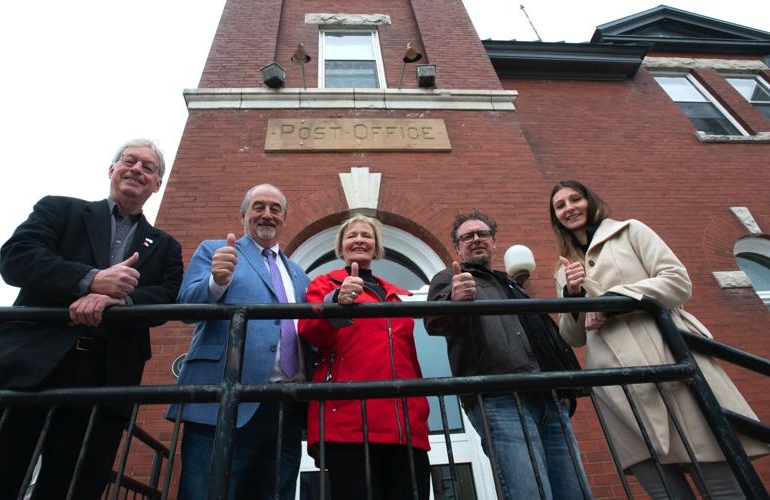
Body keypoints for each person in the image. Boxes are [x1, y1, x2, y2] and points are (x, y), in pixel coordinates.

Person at [0, 139, 183, 500]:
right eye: (130, 161)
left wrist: (116, 298)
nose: (137, 169)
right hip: (30, 369)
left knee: (76, 486)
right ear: (112, 170)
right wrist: (89, 279)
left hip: (106, 378)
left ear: (157, 185)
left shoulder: (164, 245)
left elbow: (168, 294)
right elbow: (17, 257)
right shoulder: (60, 210)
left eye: (148, 168)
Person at [550, 179, 768, 499]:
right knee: (663, 490)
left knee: (718, 481)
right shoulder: (565, 268)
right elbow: (572, 337)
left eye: (575, 199)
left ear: (590, 201)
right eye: (560, 206)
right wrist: (573, 295)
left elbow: (678, 282)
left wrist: (612, 301)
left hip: (668, 358)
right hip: (617, 385)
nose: (569, 208)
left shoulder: (630, 231)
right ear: (555, 217)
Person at [425, 210, 592, 500]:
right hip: (499, 398)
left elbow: (545, 334)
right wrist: (454, 299)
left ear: (493, 242)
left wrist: (573, 296)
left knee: (573, 491)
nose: (476, 240)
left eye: (482, 234)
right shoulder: (450, 278)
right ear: (457, 247)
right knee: (526, 491)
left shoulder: (511, 284)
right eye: (467, 236)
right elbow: (434, 323)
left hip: (549, 397)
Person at [167, 184, 310, 499]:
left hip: (285, 409)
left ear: (284, 218)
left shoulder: (299, 273)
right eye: (259, 206)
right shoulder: (217, 251)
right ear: (244, 214)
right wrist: (215, 281)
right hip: (223, 400)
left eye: (275, 209)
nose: (267, 214)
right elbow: (186, 309)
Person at [298, 215, 431, 500]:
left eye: (366, 235)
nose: (359, 239)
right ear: (341, 247)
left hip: (405, 424)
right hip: (349, 421)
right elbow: (309, 331)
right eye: (352, 235)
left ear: (376, 247)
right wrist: (335, 302)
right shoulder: (325, 284)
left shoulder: (398, 295)